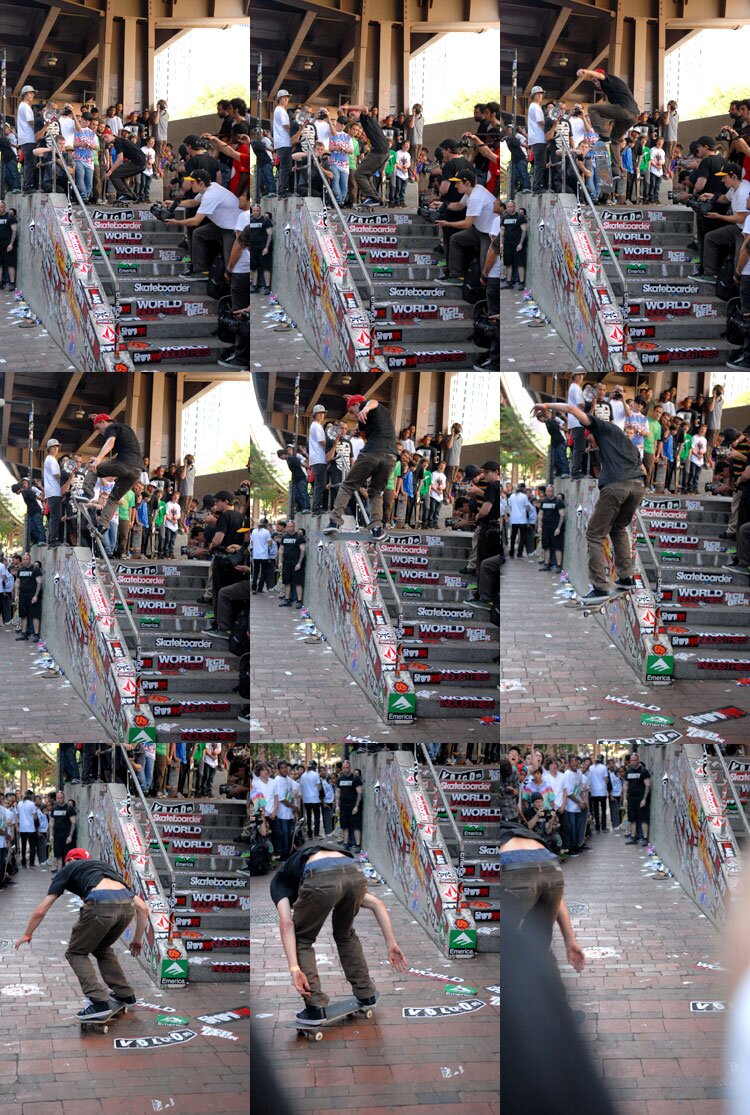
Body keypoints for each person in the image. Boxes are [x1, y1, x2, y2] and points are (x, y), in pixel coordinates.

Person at [271, 839, 407, 1022]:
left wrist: (295, 969)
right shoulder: (310, 859)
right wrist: (392, 944)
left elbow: (286, 925)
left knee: (301, 939)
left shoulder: (279, 883)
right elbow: (377, 904)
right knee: (345, 934)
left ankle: (315, 1005)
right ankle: (366, 993)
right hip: (353, 871)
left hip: (321, 876)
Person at [14, 847, 149, 1021]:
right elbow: (143, 909)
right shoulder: (105, 868)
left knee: (76, 952)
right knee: (102, 948)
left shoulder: (69, 868)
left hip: (99, 904)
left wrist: (27, 934)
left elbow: (41, 910)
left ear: (69, 860)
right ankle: (125, 994)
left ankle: (99, 1002)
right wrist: (137, 940)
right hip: (126, 905)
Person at [532, 401, 646, 605]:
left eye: (589, 440)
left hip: (616, 487)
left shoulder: (602, 427)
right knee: (619, 528)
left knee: (594, 534)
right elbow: (644, 469)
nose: (589, 444)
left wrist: (547, 405)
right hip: (638, 487)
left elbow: (572, 409)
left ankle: (600, 587)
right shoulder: (628, 443)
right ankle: (626, 577)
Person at [323, 395, 398, 541]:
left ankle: (334, 521)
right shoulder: (377, 415)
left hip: (371, 453)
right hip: (391, 457)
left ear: (358, 404)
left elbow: (374, 401)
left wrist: (366, 407)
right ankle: (377, 528)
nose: (354, 415)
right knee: (375, 492)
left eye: (352, 411)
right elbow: (365, 434)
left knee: (347, 486)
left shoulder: (369, 407)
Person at [576, 67, 638, 186]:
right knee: (615, 139)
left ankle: (604, 137)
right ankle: (615, 171)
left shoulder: (608, 79)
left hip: (625, 111)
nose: (595, 84)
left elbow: (600, 76)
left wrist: (586, 72)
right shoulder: (611, 88)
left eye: (595, 81)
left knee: (592, 109)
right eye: (593, 82)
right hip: (632, 117)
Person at [88, 414, 143, 535]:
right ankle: (103, 525)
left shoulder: (111, 428)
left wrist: (98, 459)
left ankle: (86, 492)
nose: (99, 432)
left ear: (103, 422)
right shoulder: (125, 429)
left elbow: (110, 442)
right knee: (114, 498)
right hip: (137, 471)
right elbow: (122, 452)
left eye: (98, 428)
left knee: (92, 466)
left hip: (125, 466)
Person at [624, 752, 651, 846]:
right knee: (632, 819)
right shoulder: (628, 771)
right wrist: (625, 798)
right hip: (631, 799)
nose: (633, 762)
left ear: (638, 760)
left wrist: (644, 799)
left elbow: (647, 785)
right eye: (631, 760)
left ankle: (645, 838)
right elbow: (626, 785)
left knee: (643, 819)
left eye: (635, 760)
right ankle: (633, 837)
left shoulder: (643, 771)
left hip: (640, 799)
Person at [50, 790, 77, 872]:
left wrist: (70, 836)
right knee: (58, 855)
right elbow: (51, 822)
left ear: (64, 798)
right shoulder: (54, 808)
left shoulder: (69, 808)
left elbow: (73, 823)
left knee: (68, 856)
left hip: (66, 836)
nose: (59, 800)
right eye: (57, 798)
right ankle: (59, 873)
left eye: (60, 798)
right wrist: (51, 835)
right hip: (57, 836)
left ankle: (67, 873)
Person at [274, 90, 293, 197]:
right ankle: (284, 190)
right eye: (284, 97)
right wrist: (296, 132)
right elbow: (287, 126)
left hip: (281, 142)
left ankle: (283, 189)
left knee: (284, 167)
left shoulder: (279, 110)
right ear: (279, 99)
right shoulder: (281, 111)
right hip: (284, 142)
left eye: (287, 97)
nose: (286, 99)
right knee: (286, 167)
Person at [300, 762, 322, 838]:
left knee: (309, 817)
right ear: (313, 767)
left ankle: (309, 834)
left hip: (306, 799)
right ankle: (316, 834)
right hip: (315, 799)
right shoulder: (316, 775)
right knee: (317, 816)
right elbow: (319, 787)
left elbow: (302, 788)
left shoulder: (303, 775)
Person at [0, 199, 18, 291]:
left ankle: (11, 283)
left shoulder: (10, 217)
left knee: (10, 264)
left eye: (1, 207)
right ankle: (1, 283)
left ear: (4, 207)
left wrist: (11, 244)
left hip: (8, 245)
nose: (0, 209)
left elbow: (14, 231)